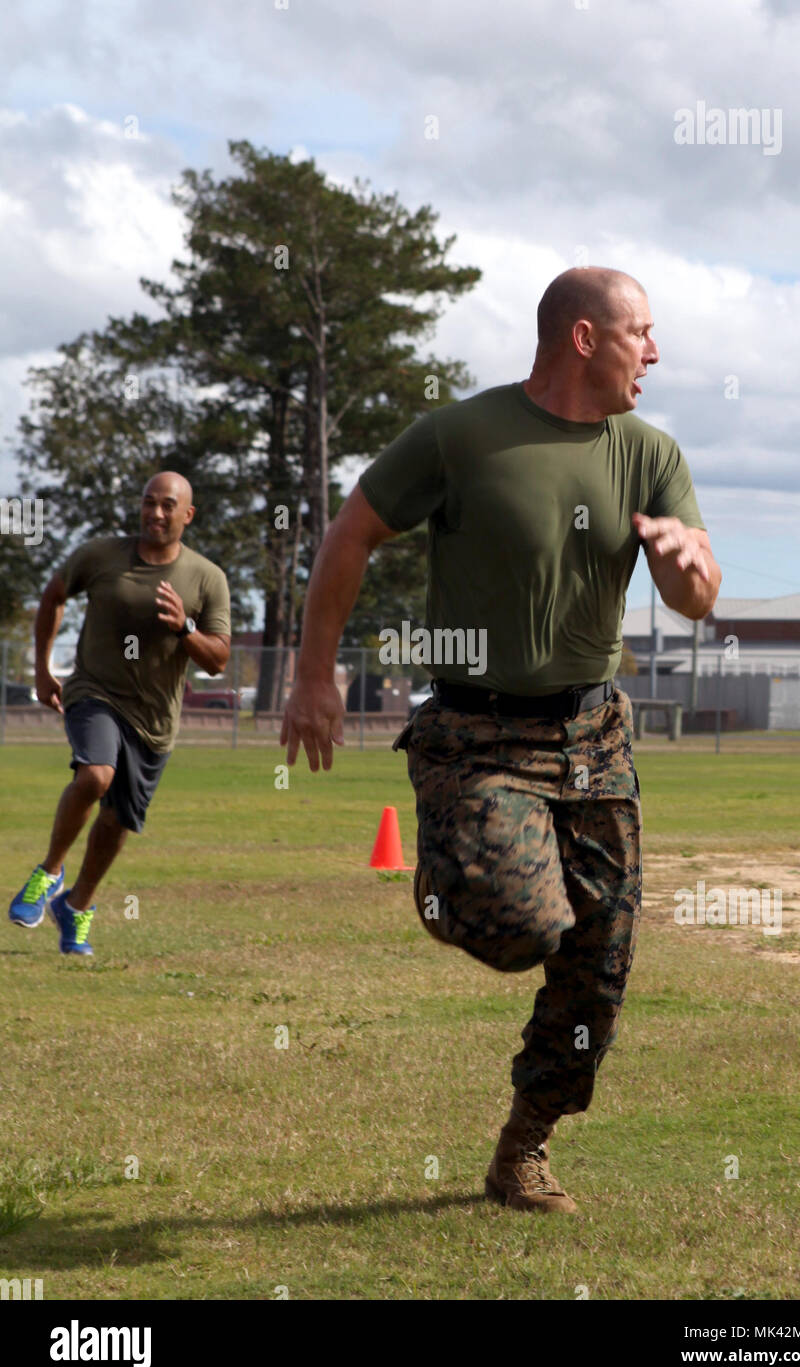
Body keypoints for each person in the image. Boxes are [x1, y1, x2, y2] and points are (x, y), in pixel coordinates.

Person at [280, 267, 721, 1213]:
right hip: (478, 733)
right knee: (522, 928)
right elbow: (349, 535)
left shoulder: (649, 453)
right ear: (583, 339)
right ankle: (452, 887)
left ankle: (524, 1146)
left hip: (594, 732)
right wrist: (313, 675)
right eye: (642, 332)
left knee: (599, 960)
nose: (657, 351)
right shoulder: (461, 434)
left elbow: (694, 592)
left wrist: (689, 570)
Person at [9, 472, 231, 956]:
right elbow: (53, 595)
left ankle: (77, 906)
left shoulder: (206, 578)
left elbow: (217, 659)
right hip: (94, 692)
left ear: (187, 515)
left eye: (168, 505)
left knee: (118, 821)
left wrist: (185, 628)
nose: (155, 513)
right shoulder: (101, 555)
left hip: (154, 721)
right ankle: (48, 872)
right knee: (95, 775)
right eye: (149, 503)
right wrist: (43, 670)